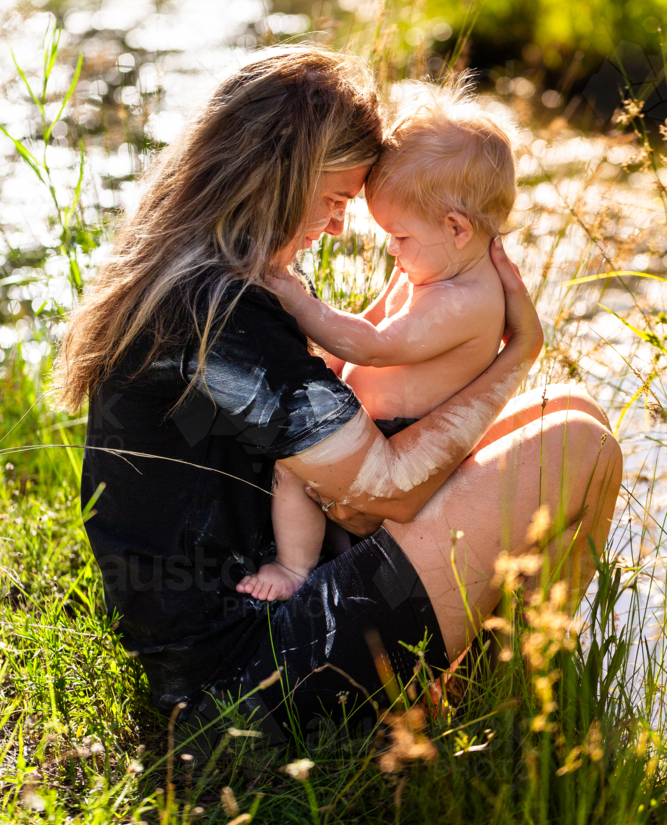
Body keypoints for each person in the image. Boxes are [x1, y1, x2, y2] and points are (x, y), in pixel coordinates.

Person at [55, 46, 622, 741]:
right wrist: (517, 355)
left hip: (261, 615)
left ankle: (490, 703)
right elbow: (387, 492)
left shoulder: (201, 274)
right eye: (333, 200)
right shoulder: (212, 312)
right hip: (240, 673)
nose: (335, 227)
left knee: (571, 411)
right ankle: (507, 717)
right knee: (578, 447)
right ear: (278, 173)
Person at [236, 86, 516, 602]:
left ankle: (294, 568)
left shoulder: (466, 299)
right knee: (313, 485)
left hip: (401, 440)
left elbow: (376, 345)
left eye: (400, 236)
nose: (392, 248)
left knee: (294, 468)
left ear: (456, 228)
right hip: (380, 434)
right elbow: (371, 320)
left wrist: (299, 302)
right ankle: (325, 561)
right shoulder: (435, 270)